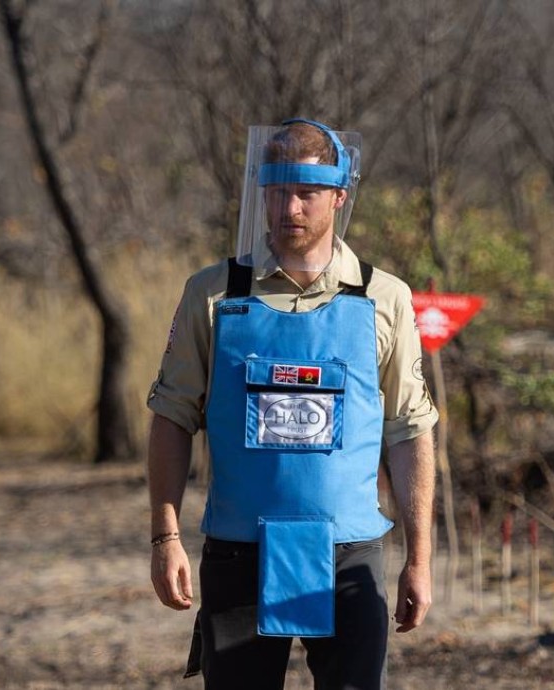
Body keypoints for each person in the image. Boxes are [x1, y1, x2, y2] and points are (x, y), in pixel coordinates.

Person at [146, 118, 439, 689]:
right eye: (278, 191)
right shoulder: (213, 293)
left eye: (306, 193)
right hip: (238, 553)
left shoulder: (385, 298)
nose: (291, 207)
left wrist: (419, 560)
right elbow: (172, 417)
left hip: (348, 553)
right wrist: (165, 536)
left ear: (338, 196)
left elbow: (408, 431)